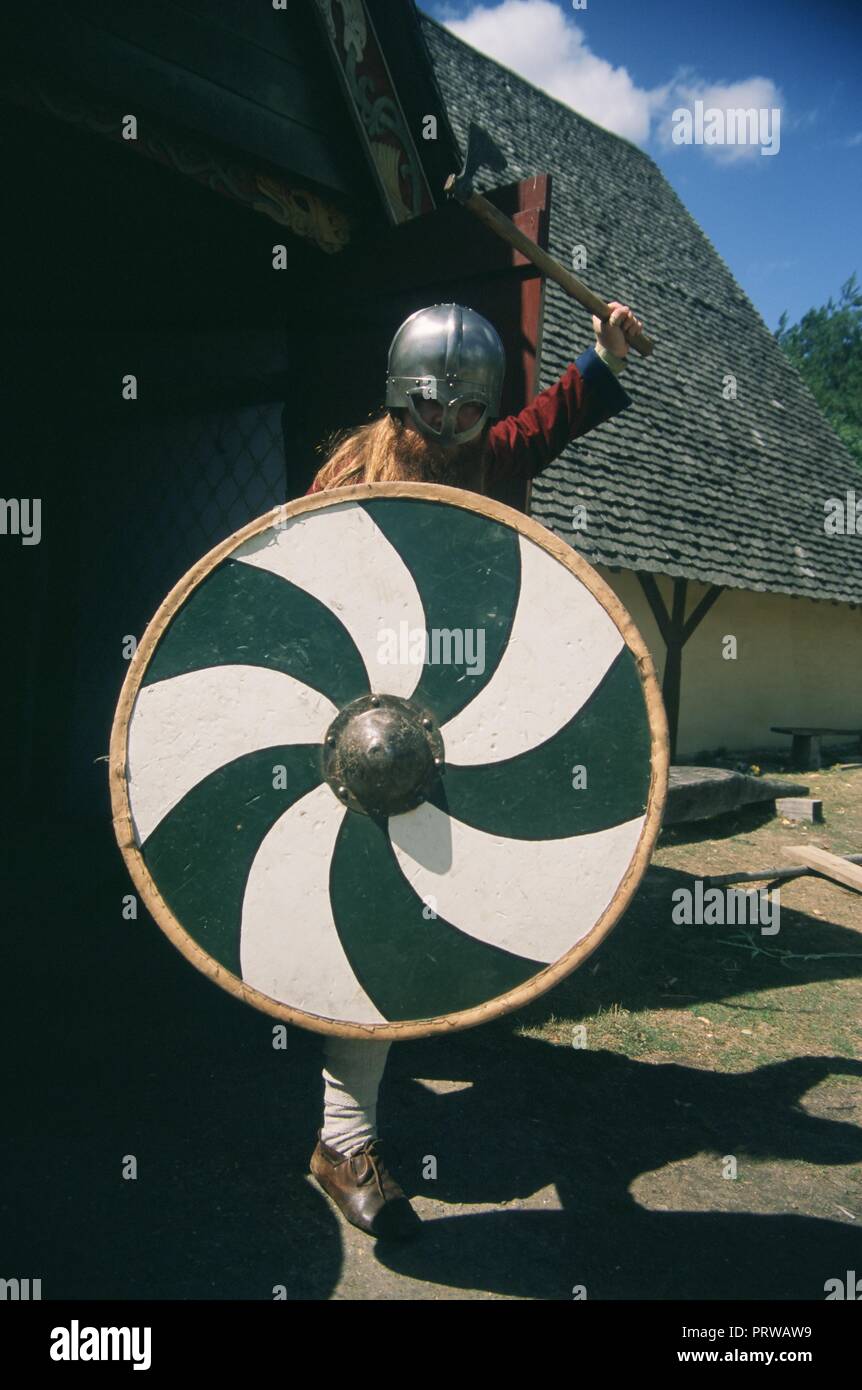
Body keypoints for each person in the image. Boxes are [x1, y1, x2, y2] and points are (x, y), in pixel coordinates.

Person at [305, 299, 644, 1240]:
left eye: (467, 410)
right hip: (363, 731)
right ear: (400, 396)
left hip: (462, 723)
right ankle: (343, 1141)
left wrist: (604, 354)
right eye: (434, 407)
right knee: (358, 927)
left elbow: (559, 413)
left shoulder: (495, 457)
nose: (450, 427)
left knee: (448, 908)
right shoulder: (350, 470)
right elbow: (304, 601)